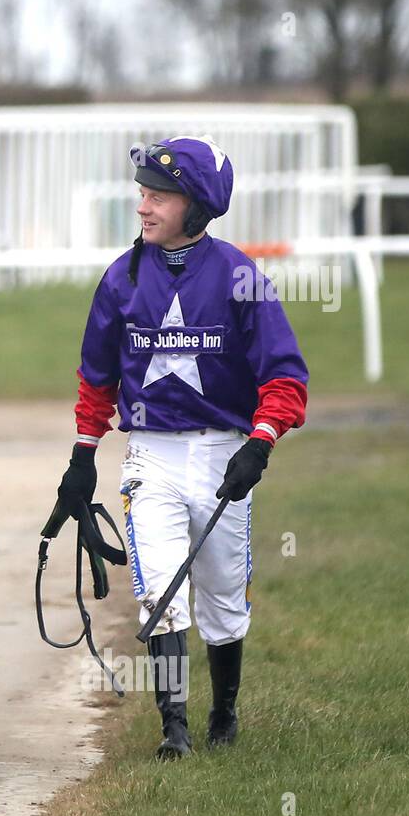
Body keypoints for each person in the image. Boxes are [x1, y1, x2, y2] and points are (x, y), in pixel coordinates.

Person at [57, 135, 309, 759]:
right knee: (161, 591)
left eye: (159, 197)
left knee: (223, 596)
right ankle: (176, 729)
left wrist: (261, 443)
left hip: (225, 453)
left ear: (195, 206)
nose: (143, 207)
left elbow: (285, 377)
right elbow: (97, 379)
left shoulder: (240, 276)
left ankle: (225, 716)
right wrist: (82, 458)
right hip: (152, 456)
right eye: (142, 194)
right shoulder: (121, 277)